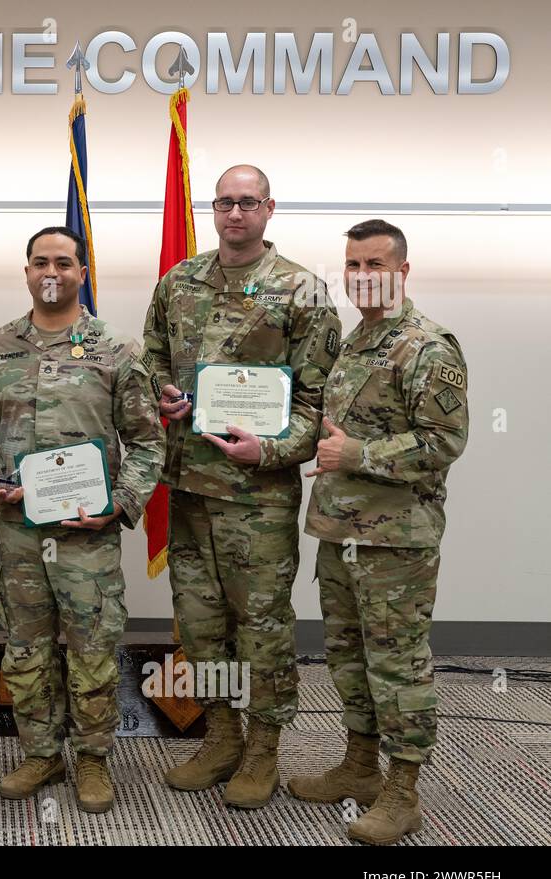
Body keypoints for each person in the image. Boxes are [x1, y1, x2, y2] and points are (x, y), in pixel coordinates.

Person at [143, 165, 341, 808]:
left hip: (258, 496)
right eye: (225, 202)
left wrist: (271, 449)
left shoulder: (301, 291)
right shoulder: (179, 283)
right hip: (190, 487)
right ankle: (221, 736)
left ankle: (262, 749)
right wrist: (165, 395)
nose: (235, 213)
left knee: (260, 628)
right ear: (213, 207)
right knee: (200, 627)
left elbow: (320, 402)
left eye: (247, 202)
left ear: (269, 208)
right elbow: (150, 360)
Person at [0, 226, 165, 813]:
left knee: (91, 651)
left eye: (63, 262)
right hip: (21, 535)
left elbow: (149, 443)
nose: (50, 271)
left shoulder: (118, 351)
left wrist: (120, 504)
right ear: (26, 272)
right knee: (25, 651)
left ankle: (94, 760)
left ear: (82, 272)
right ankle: (40, 753)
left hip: (88, 538)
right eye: (39, 262)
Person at [289, 219, 468, 844]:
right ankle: (361, 765)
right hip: (342, 531)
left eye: (375, 265)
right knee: (346, 656)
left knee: (397, 663)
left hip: (397, 541)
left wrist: (359, 455)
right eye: (354, 266)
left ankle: (404, 791)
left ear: (403, 271)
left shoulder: (426, 346)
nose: (362, 277)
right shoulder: (356, 341)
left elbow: (444, 441)